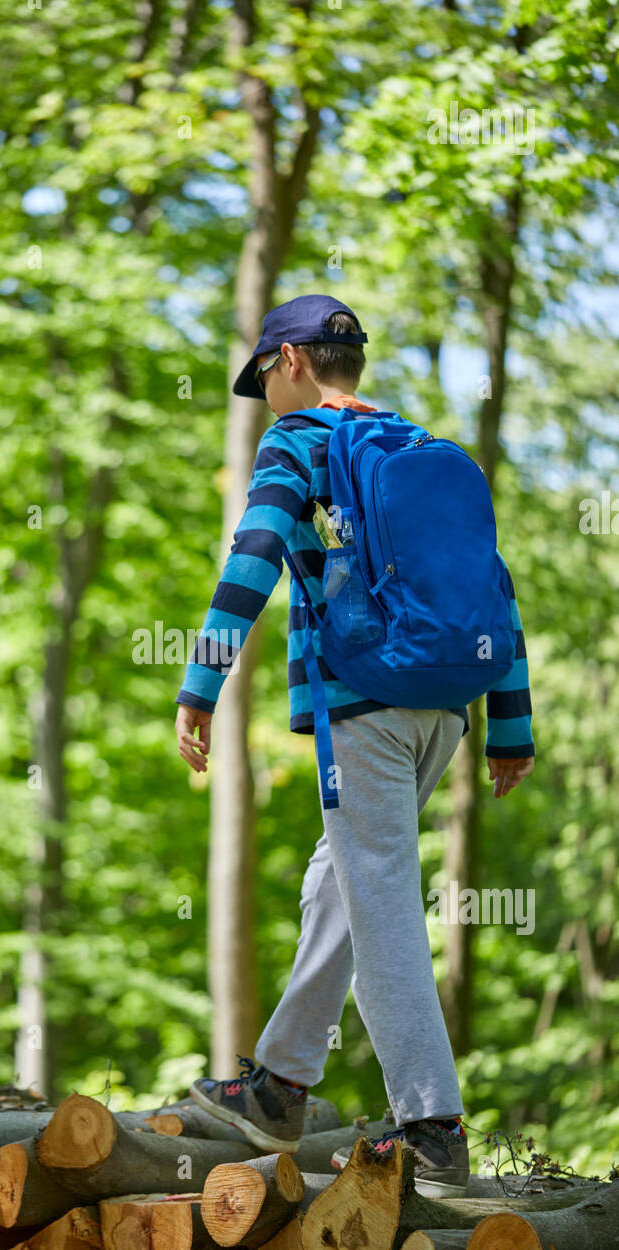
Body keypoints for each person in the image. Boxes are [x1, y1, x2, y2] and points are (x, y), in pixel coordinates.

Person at [174, 294, 534, 1197]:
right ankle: (281, 1085)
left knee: (376, 897)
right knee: (338, 877)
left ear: (291, 362)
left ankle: (433, 1127)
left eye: (263, 379)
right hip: (446, 708)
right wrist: (510, 723)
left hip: (364, 705)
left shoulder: (299, 444)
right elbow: (493, 584)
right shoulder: (420, 447)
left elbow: (251, 558)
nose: (262, 399)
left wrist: (201, 683)